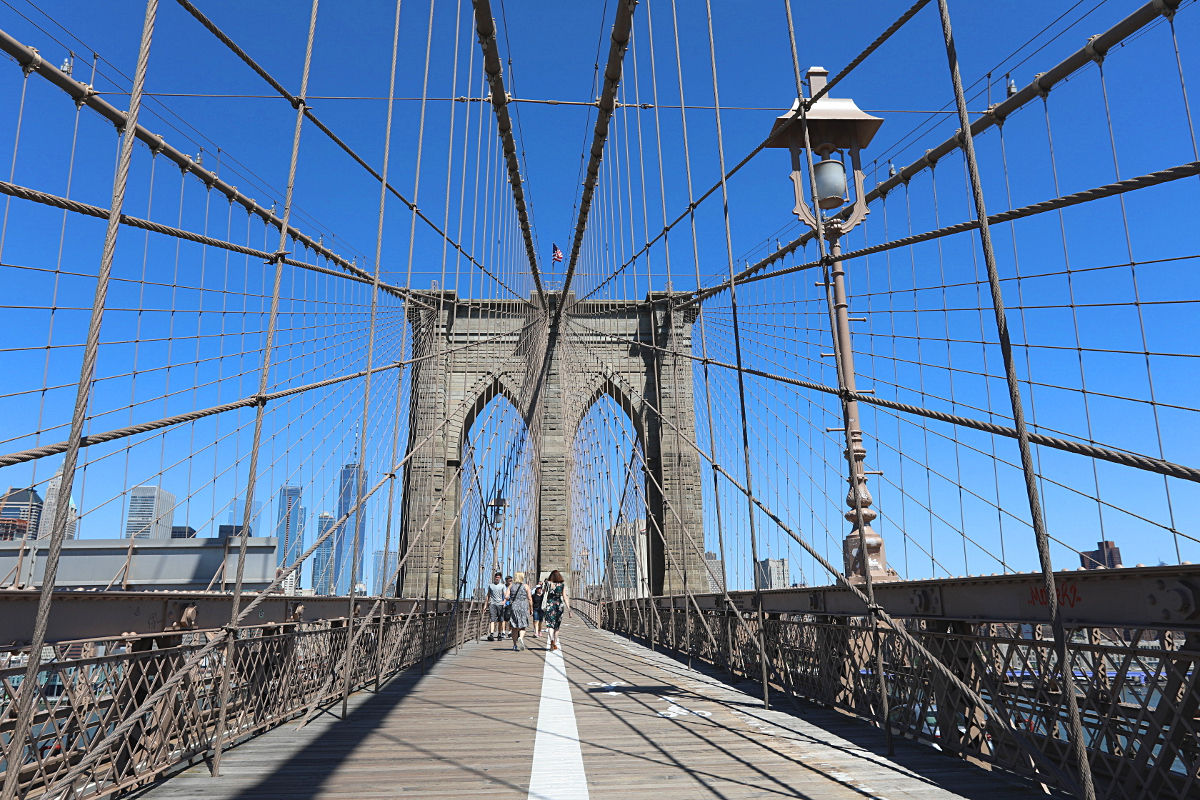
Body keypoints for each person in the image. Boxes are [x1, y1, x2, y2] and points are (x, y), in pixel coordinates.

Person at [542, 570, 570, 651]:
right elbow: (565, 597)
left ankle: (551, 640)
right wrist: (569, 609)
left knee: (550, 625)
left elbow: (543, 592)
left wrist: (546, 584)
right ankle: (555, 643)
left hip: (549, 606)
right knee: (556, 627)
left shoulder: (548, 584)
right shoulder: (562, 585)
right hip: (559, 606)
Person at [507, 571, 533, 650]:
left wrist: (512, 598)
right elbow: (529, 598)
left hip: (514, 606)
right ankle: (521, 638)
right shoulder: (526, 586)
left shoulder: (511, 586)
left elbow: (506, 596)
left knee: (514, 626)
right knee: (523, 626)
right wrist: (531, 608)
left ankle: (515, 645)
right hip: (523, 606)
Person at [485, 572, 506, 641]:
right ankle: (491, 634)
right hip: (492, 604)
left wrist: (504, 601)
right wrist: (485, 605)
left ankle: (499, 634)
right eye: (496, 577)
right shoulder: (490, 586)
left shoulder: (502, 586)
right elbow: (488, 595)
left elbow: (505, 594)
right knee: (492, 619)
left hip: (500, 604)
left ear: (500, 578)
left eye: (498, 577)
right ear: (494, 577)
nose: (497, 578)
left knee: (500, 620)